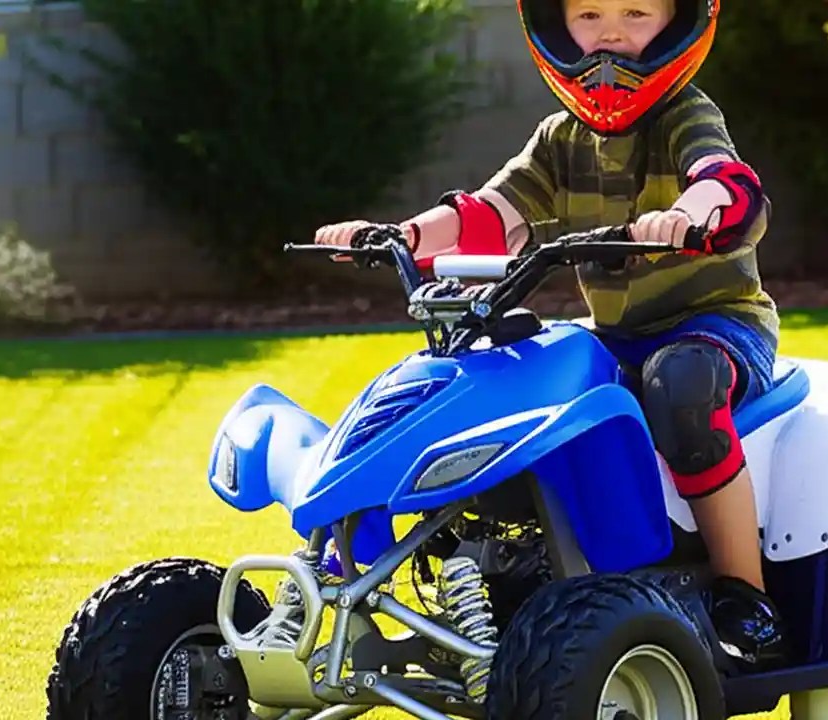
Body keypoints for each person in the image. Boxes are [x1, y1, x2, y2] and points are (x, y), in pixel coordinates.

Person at [314, 0, 789, 671]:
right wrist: (400, 236)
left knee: (681, 386)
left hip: (716, 325)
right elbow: (489, 213)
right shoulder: (560, 138)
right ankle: (493, 577)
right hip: (617, 335)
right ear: (554, 25)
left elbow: (725, 182)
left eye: (636, 12)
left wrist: (693, 210)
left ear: (680, 23)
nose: (612, 34)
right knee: (501, 383)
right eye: (588, 15)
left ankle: (746, 597)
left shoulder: (686, 115)